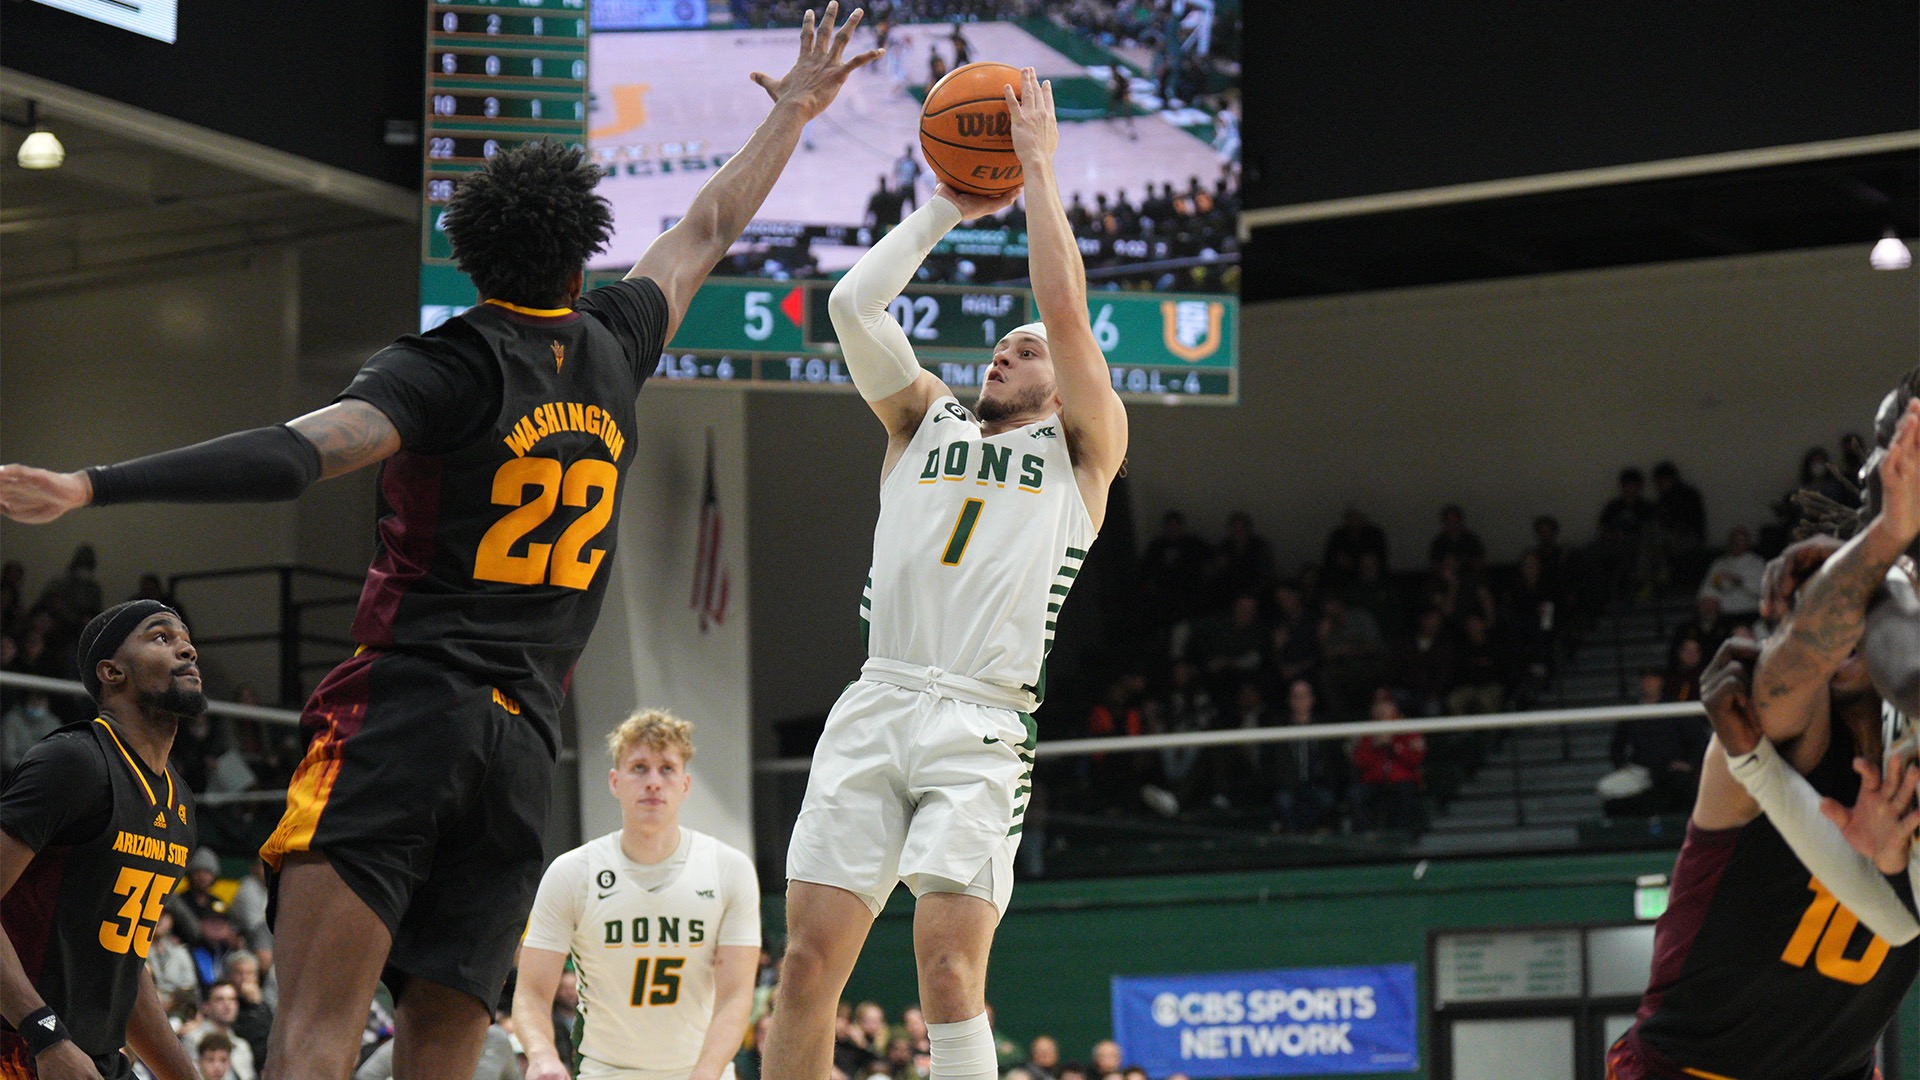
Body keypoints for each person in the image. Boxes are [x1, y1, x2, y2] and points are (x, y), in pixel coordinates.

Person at [0, 9, 878, 1075]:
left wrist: (94, 484)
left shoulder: (449, 363)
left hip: (405, 716)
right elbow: (705, 229)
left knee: (316, 1036)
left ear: (470, 258)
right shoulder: (615, 341)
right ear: (581, 246)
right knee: (438, 1060)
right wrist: (792, 106)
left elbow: (294, 456)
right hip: (521, 749)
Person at [764, 69, 1128, 1080]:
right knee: (803, 970)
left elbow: (1064, 312)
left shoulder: (1083, 452)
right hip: (879, 698)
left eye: (1029, 347)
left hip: (980, 721)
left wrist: (1041, 169)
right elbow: (851, 301)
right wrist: (946, 206)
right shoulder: (921, 418)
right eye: (1002, 343)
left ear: (1064, 384)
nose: (1010, 350)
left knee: (949, 978)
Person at [1608, 397, 1920, 1080]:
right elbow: (1797, 661)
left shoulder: (1908, 749)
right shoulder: (1789, 721)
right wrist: (1884, 541)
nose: (1848, 625)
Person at [0, 600, 202, 1078]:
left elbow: (125, 966)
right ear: (112, 672)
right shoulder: (73, 762)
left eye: (186, 639)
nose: (187, 649)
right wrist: (47, 1036)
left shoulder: (179, 801)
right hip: (22, 1050)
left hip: (95, 1059)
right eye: (161, 637)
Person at [514, 710, 760, 1080]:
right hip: (607, 1073)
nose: (653, 782)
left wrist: (705, 1075)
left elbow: (736, 998)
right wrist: (543, 1056)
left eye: (667, 769)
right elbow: (531, 993)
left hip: (702, 1073)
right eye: (639, 768)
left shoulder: (729, 869)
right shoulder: (572, 873)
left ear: (685, 784)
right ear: (615, 781)